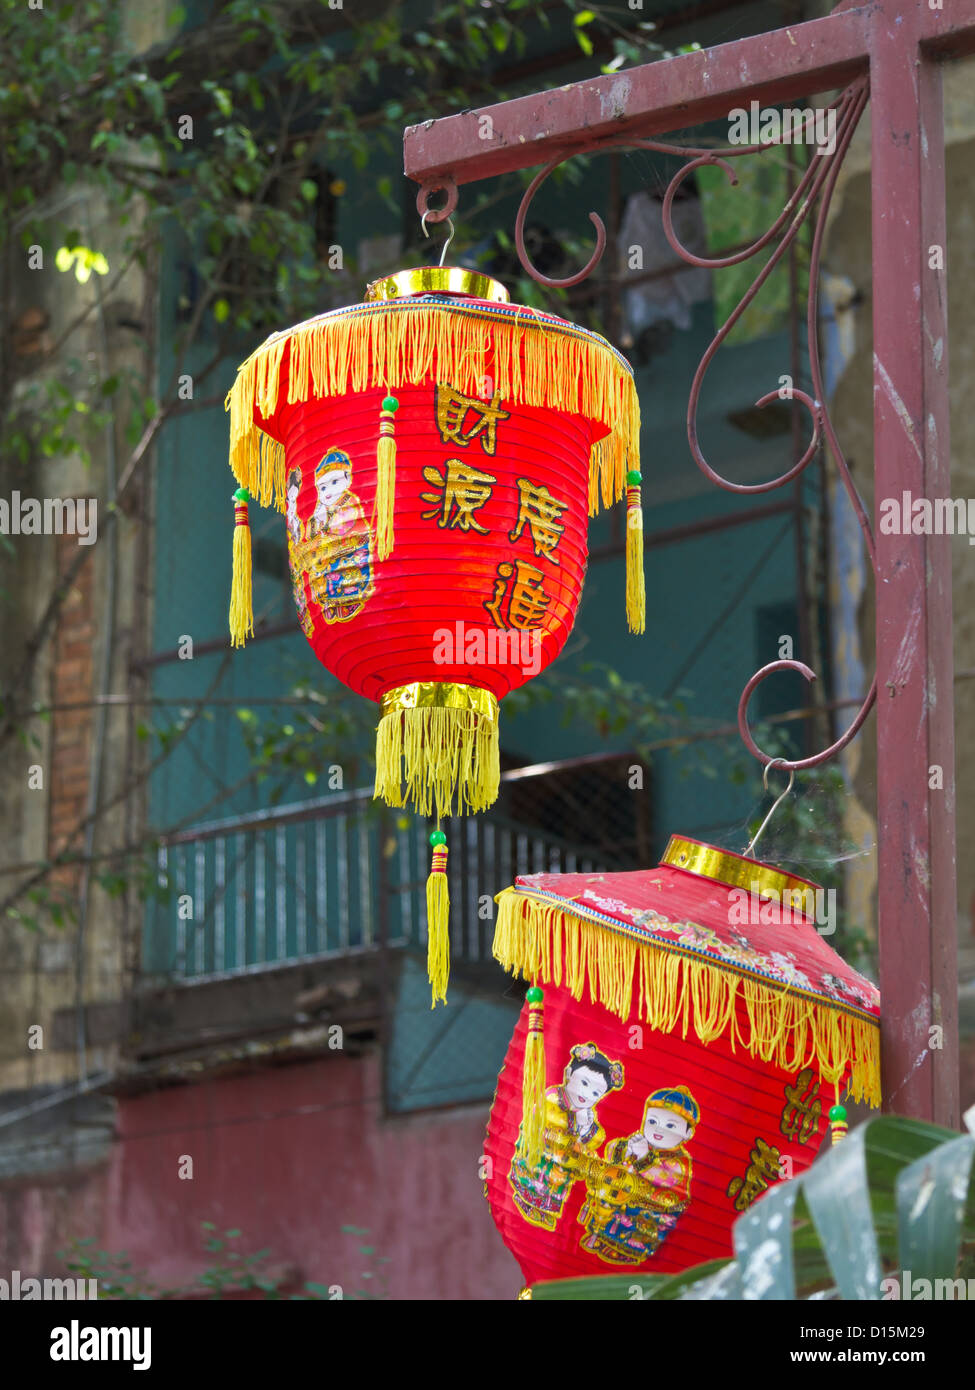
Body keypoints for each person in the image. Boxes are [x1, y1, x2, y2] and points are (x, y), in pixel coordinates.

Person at [509, 1043, 625, 1232]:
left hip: (562, 1163)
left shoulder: (587, 1116)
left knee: (553, 1190)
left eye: (596, 1093)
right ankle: (526, 1202)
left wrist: (584, 1127)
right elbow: (541, 1120)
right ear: (569, 1074)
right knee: (534, 1180)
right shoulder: (553, 1098)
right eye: (584, 1083)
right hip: (542, 1153)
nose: (586, 1094)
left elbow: (595, 1140)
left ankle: (544, 1212)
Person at [578, 1085, 700, 1264]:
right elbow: (612, 1151)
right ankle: (600, 1237)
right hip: (624, 1195)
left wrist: (644, 1159)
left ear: (687, 1133)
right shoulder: (642, 1142)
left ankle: (630, 1249)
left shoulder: (679, 1160)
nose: (659, 1129)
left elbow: (664, 1178)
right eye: (653, 1121)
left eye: (670, 1126)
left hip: (652, 1206)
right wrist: (624, 1149)